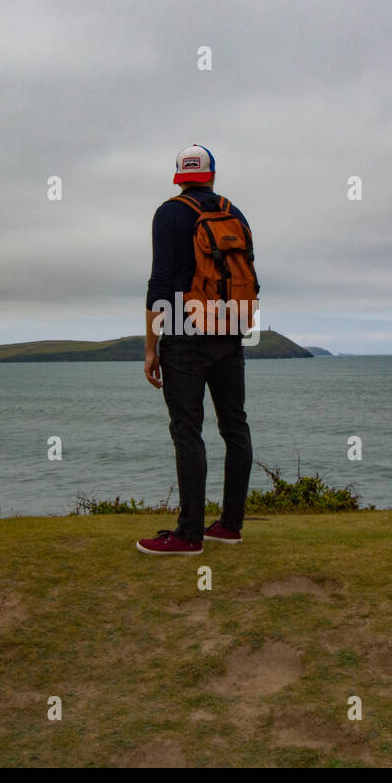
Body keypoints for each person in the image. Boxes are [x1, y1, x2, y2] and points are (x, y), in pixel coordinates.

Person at [137, 144, 254, 555]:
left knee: (188, 432)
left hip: (185, 337)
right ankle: (230, 526)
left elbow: (159, 284)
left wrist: (151, 348)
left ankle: (188, 535)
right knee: (234, 426)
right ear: (212, 175)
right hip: (230, 335)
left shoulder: (169, 213)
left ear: (179, 176)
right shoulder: (233, 213)